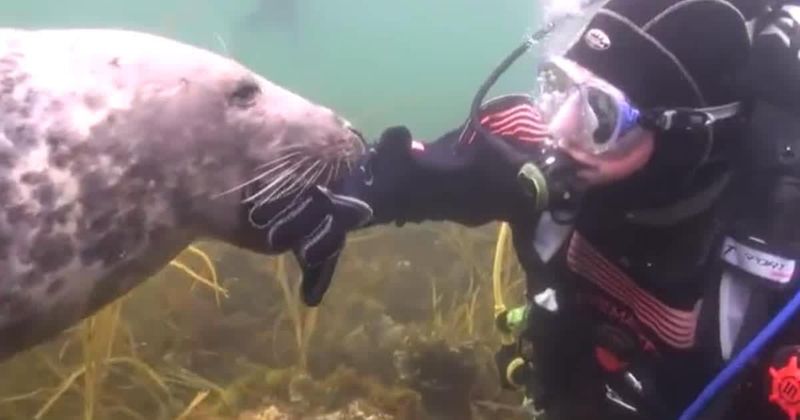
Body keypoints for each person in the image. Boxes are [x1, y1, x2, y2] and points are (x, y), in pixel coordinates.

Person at [248, 0, 800, 418]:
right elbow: (436, 163)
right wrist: (367, 185)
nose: (557, 131)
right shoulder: (541, 144)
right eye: (558, 86)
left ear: (687, 134)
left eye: (601, 113)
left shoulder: (778, 243)